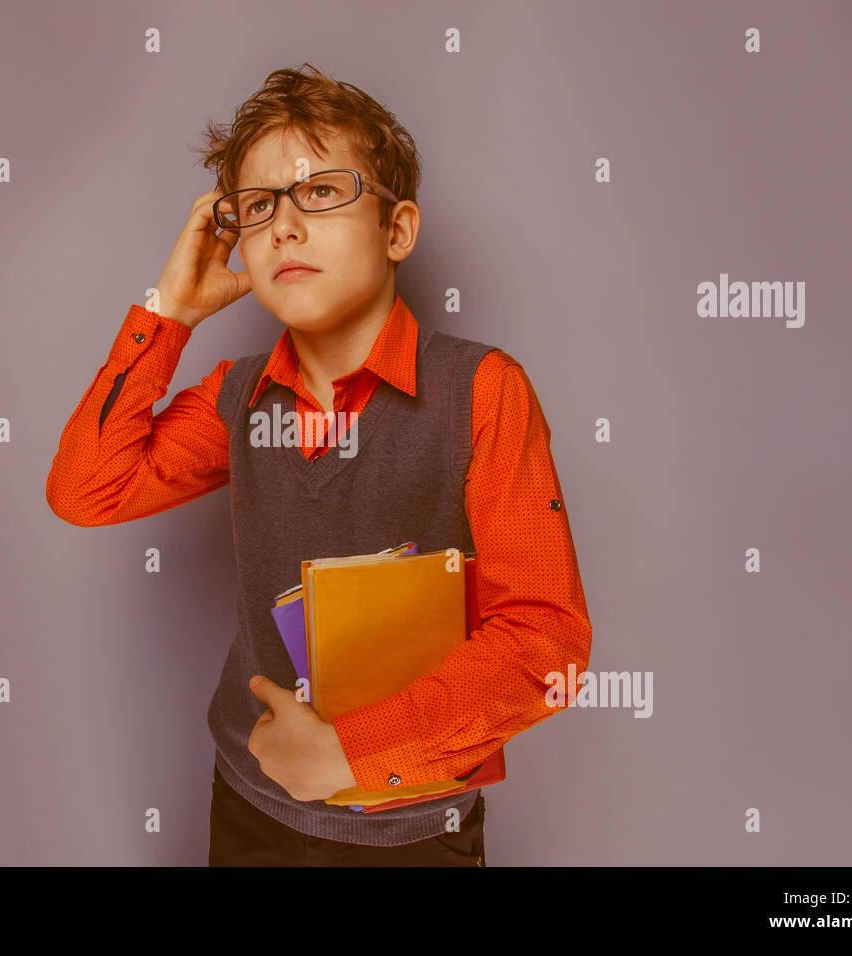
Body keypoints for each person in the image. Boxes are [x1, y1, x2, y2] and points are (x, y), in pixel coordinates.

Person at [46, 63, 593, 866]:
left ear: (398, 230)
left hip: (406, 828)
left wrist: (350, 751)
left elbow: (548, 644)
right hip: (247, 800)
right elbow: (85, 490)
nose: (283, 228)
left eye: (321, 192)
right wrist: (169, 313)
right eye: (257, 206)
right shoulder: (237, 399)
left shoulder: (482, 391)